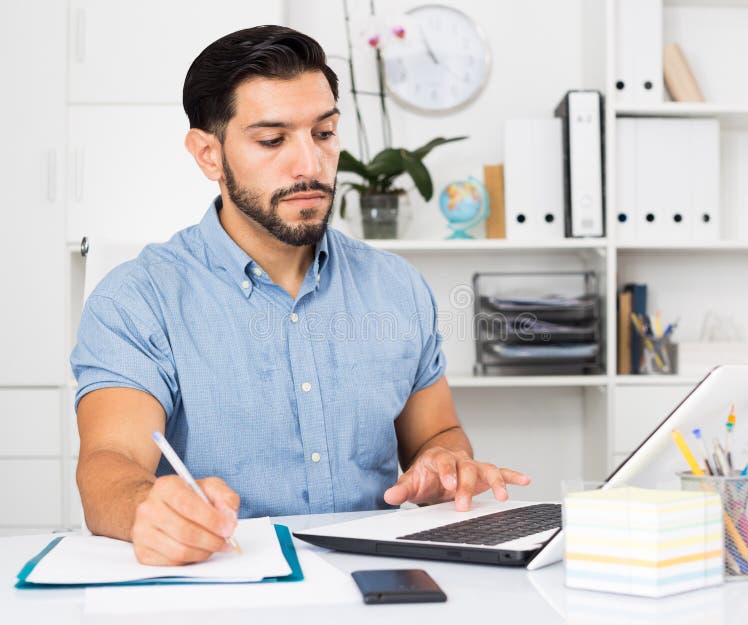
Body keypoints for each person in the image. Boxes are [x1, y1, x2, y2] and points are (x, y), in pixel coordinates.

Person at [71, 25, 530, 567]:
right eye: (272, 140)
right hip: (223, 575)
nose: (310, 165)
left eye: (325, 133)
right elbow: (110, 462)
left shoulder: (396, 285)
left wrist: (446, 463)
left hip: (377, 577)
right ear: (208, 155)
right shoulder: (136, 298)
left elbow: (437, 431)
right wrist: (145, 507)